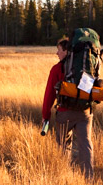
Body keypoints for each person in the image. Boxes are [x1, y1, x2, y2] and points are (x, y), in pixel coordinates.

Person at [41, 34, 99, 176]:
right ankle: (88, 177)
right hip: (84, 111)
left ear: (66, 51)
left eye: (59, 50)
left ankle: (64, 175)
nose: (57, 53)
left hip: (64, 113)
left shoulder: (57, 69)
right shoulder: (85, 66)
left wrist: (45, 116)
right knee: (85, 145)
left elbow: (49, 95)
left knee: (63, 145)